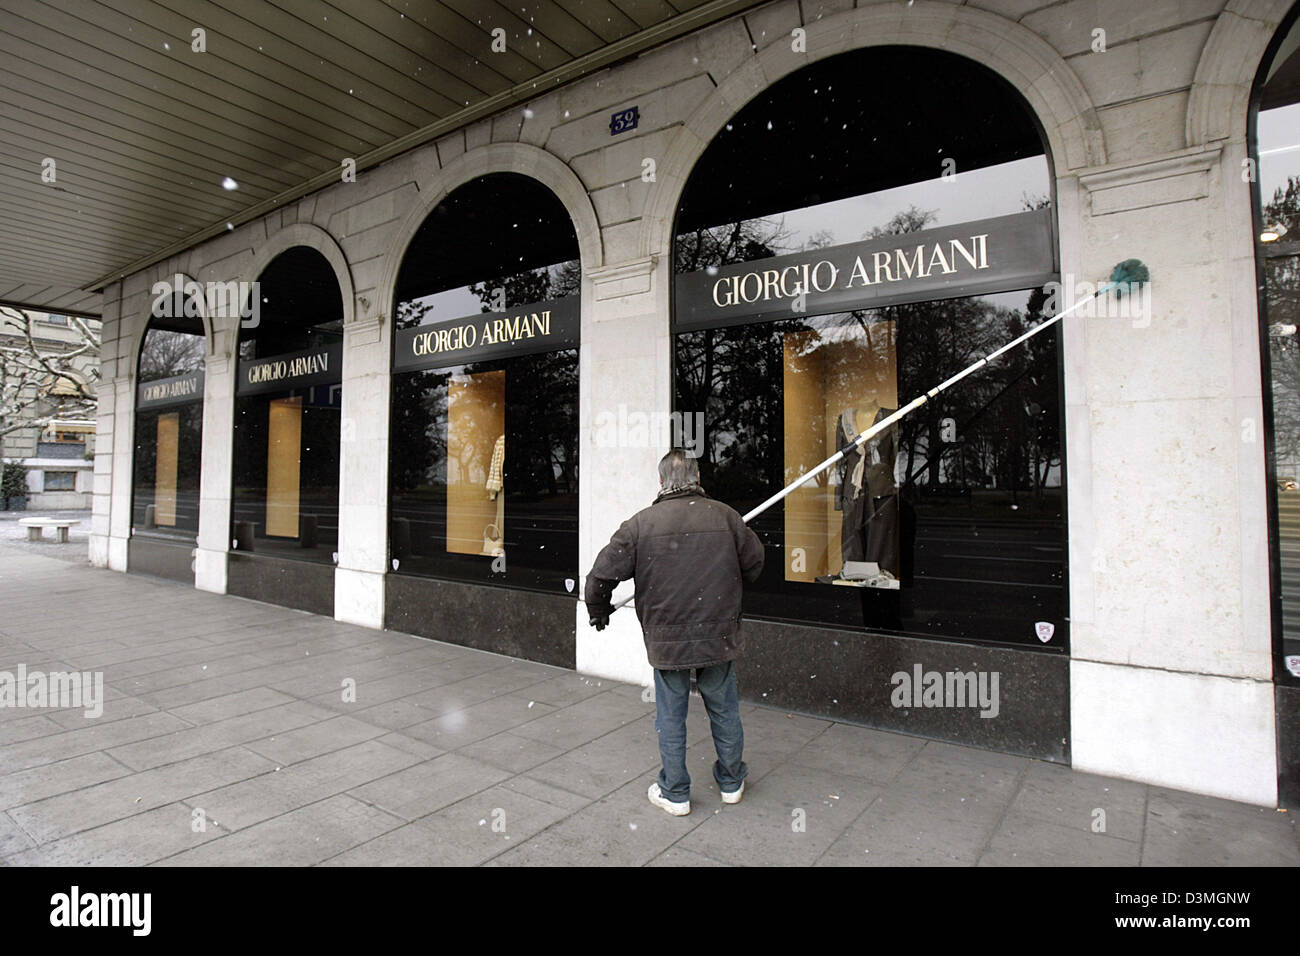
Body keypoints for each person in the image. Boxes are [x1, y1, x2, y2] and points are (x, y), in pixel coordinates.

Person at [585, 448, 765, 815]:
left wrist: (598, 609)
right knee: (724, 708)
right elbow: (755, 564)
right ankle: (731, 781)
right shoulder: (726, 517)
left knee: (670, 713)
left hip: (668, 639)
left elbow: (600, 576)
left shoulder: (641, 524)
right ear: (698, 480)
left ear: (662, 482)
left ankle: (675, 791)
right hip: (718, 634)